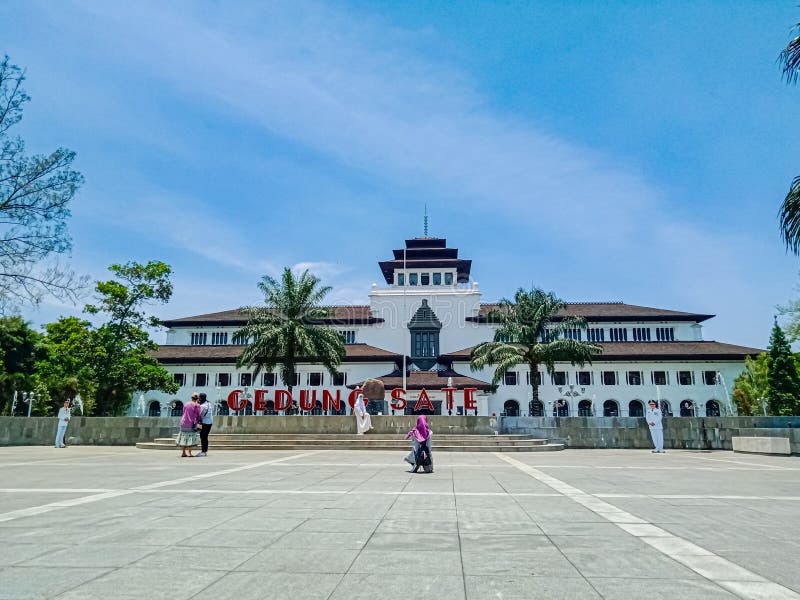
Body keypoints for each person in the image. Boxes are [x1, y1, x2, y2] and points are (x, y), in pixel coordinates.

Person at [177, 393, 202, 458]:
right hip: (191, 424)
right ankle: (190, 453)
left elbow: (183, 412)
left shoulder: (186, 404)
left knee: (183, 438)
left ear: (191, 398)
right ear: (198, 399)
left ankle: (183, 452)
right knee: (191, 438)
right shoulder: (197, 405)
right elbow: (198, 414)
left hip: (183, 423)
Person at [196, 393, 213, 457]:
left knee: (203, 437)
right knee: (205, 437)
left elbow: (200, 415)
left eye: (199, 397)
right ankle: (204, 451)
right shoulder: (209, 403)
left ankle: (203, 451)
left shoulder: (203, 406)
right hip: (210, 422)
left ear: (200, 398)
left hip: (205, 423)